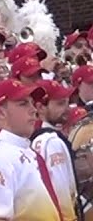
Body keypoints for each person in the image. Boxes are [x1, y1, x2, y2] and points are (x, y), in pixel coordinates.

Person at [0, 79, 60, 220]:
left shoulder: (22, 150)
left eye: (32, 103)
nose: (34, 110)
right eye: (23, 104)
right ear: (1, 113)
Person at [31, 80, 78, 221]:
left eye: (67, 102)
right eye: (60, 103)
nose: (67, 109)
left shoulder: (34, 136)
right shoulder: (51, 141)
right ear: (40, 108)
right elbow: (61, 190)